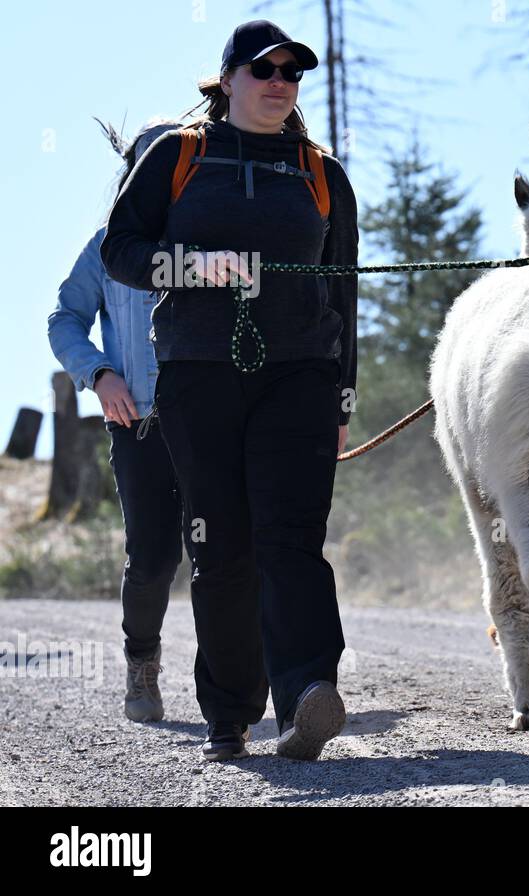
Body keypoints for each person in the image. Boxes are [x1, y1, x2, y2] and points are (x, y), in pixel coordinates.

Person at [101, 20, 359, 761]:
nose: (279, 82)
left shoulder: (321, 172)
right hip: (199, 378)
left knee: (293, 540)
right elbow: (121, 251)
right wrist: (191, 266)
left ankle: (306, 694)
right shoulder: (176, 156)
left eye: (292, 72)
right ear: (227, 80)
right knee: (221, 546)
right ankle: (229, 715)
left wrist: (343, 393)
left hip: (300, 378)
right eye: (263, 69)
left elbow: (342, 293)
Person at [48, 118, 185, 724]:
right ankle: (142, 665)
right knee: (153, 558)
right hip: (141, 429)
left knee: (228, 554)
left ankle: (233, 682)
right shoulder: (107, 246)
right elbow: (64, 319)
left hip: (214, 424)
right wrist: (100, 376)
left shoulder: (208, 242)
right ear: (133, 174)